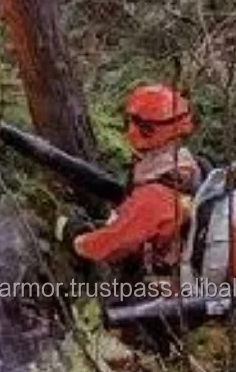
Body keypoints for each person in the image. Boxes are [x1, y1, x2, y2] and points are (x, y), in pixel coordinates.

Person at [60, 83, 202, 270]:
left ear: (145, 129)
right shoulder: (185, 166)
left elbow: (107, 247)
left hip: (163, 285)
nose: (130, 129)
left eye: (136, 122)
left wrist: (76, 235)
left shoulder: (154, 196)